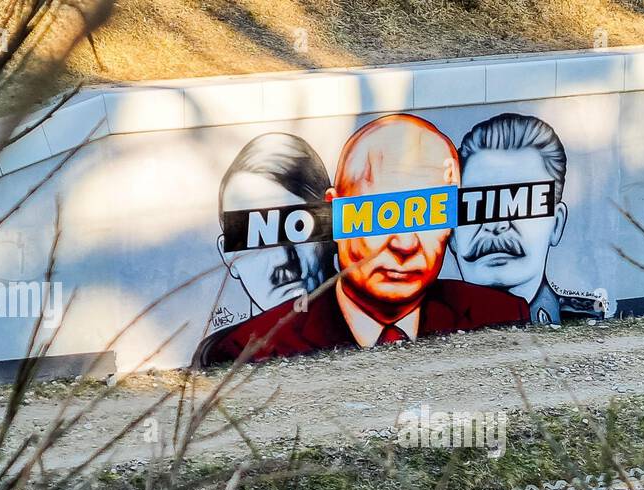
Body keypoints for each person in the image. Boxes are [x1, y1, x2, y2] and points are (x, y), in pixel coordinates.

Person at [197, 113, 527, 365]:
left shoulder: (501, 314)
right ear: (335, 214)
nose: (405, 243)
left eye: (430, 214)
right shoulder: (248, 348)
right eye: (379, 216)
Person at [451, 112, 570, 326]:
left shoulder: (585, 316)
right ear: (451, 233)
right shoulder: (421, 325)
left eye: (521, 203)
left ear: (556, 225)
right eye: (477, 205)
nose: (496, 225)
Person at [214, 132, 336, 314]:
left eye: (298, 227)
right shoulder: (222, 344)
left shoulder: (376, 338)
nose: (284, 259)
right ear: (228, 256)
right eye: (256, 235)